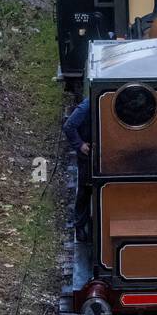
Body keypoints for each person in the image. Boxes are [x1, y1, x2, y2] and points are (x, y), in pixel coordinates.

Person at [62, 96, 92, 243]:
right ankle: (79, 226)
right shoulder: (86, 107)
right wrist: (80, 145)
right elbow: (69, 126)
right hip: (88, 155)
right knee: (85, 190)